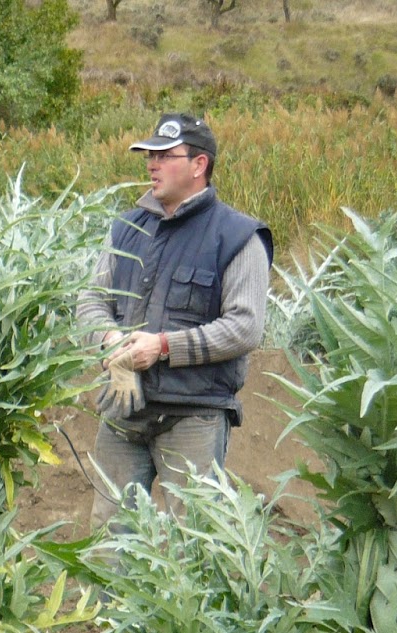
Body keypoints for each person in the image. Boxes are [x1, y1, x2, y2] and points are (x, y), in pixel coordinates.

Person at [77, 112, 274, 530]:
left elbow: (245, 327)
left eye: (165, 155)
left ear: (199, 165)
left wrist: (162, 347)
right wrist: (109, 339)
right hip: (123, 411)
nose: (151, 163)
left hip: (194, 417)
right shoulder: (126, 229)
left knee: (195, 543)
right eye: (150, 155)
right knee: (108, 541)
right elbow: (90, 300)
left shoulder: (239, 236)